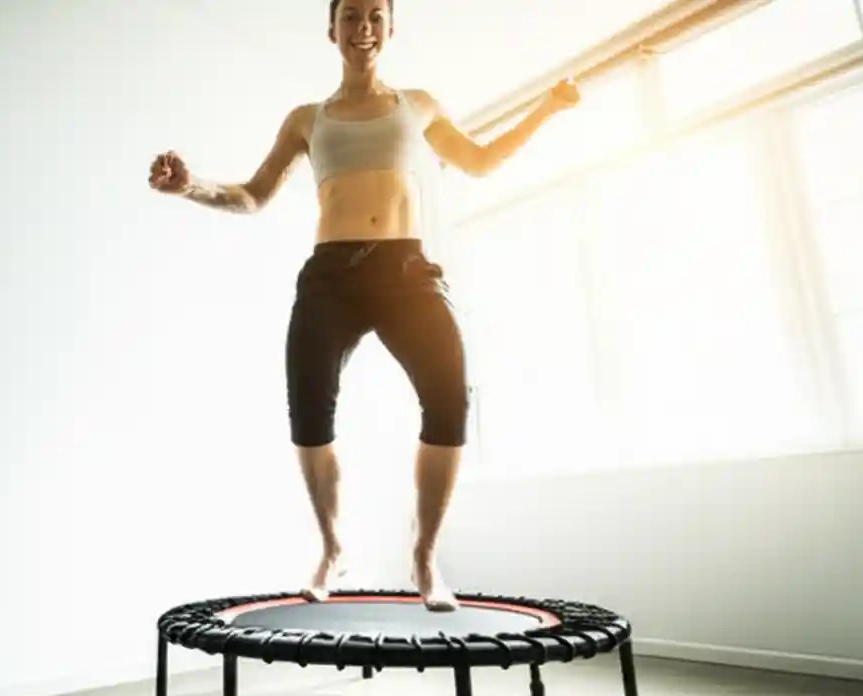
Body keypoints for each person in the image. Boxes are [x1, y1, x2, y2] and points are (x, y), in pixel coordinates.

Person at [148, 0, 579, 612]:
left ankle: (425, 555)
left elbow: (480, 162)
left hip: (406, 269)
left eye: (375, 15)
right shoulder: (306, 119)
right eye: (351, 16)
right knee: (309, 413)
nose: (364, 28)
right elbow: (252, 195)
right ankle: (331, 548)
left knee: (451, 399)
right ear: (332, 30)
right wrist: (190, 186)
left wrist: (548, 109)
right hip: (331, 277)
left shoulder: (419, 105)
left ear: (391, 28)